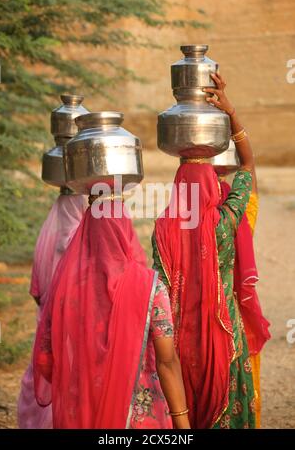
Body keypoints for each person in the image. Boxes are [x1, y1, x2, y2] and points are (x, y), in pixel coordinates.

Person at [152, 72, 263, 429]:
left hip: (179, 347)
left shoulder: (163, 229)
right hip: (224, 339)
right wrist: (230, 113)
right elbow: (247, 165)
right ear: (214, 186)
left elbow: (159, 297)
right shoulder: (225, 218)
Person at [33, 196, 190, 429]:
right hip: (137, 415)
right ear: (125, 230)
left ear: (85, 233)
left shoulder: (68, 290)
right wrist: (182, 422)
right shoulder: (149, 287)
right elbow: (167, 361)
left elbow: (46, 358)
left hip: (81, 410)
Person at [18, 193, 88, 429]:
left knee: (45, 366)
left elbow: (36, 289)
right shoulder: (75, 242)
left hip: (45, 324)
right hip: (67, 321)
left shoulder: (48, 230)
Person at [219, 171, 270, 428]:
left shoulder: (183, 224)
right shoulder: (239, 221)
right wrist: (243, 150)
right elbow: (251, 197)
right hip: (239, 320)